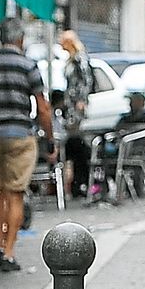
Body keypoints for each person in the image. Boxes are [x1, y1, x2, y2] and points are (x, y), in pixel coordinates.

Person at [0, 18, 54, 273]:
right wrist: (49, 139)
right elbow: (43, 107)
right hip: (20, 136)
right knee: (15, 193)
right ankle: (9, 252)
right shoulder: (28, 65)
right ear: (20, 39)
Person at [60, 30, 94, 198]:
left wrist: (81, 100)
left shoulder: (80, 59)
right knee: (74, 143)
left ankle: (81, 181)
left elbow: (86, 81)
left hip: (76, 107)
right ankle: (77, 181)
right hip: (71, 106)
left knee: (77, 142)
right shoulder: (71, 59)